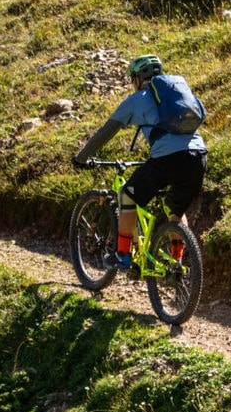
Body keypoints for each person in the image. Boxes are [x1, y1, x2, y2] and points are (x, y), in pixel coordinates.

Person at [71, 54, 206, 272]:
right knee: (175, 207)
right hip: (198, 156)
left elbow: (105, 133)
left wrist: (81, 157)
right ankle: (177, 262)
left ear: (137, 78)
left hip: (168, 158)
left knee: (127, 195)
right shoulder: (175, 96)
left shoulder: (137, 99)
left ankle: (123, 254)